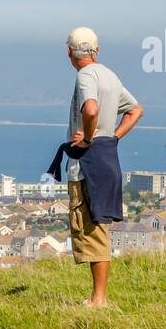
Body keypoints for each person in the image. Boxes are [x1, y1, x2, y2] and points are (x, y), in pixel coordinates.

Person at [61, 27, 143, 307]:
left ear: (69, 51)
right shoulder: (110, 75)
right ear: (96, 50)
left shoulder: (85, 76)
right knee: (100, 224)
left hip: (88, 163)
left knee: (93, 226)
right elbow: (136, 110)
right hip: (107, 158)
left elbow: (91, 109)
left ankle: (99, 298)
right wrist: (114, 137)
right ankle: (98, 296)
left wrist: (86, 138)